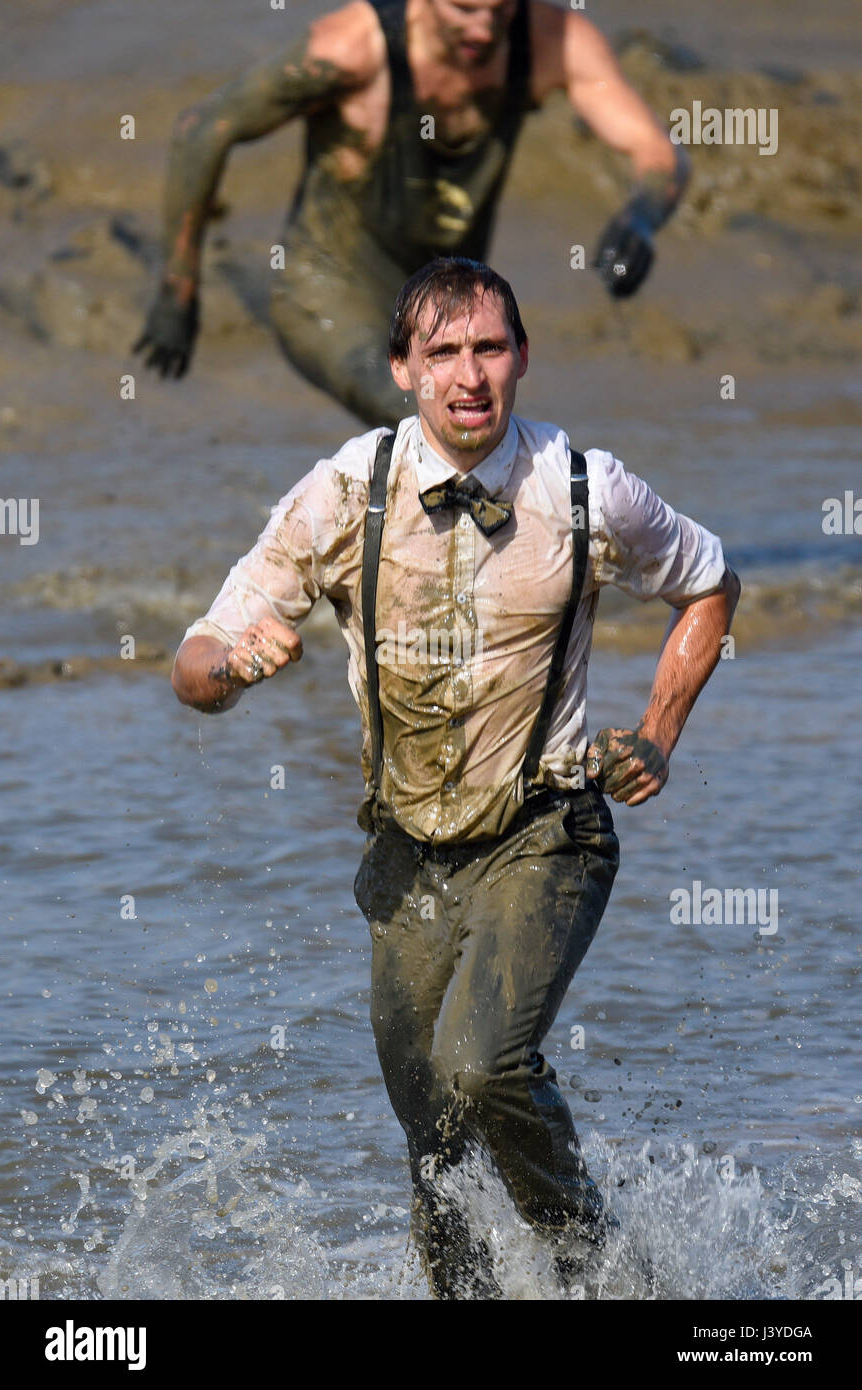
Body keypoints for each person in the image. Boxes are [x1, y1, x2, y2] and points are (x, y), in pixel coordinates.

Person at [171, 257, 739, 1298]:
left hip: (548, 832)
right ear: (402, 370)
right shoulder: (345, 491)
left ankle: (605, 1273)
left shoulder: (583, 486)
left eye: (488, 348)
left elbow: (707, 581)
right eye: (443, 352)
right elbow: (193, 660)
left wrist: (658, 732)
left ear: (521, 357)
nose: (469, 375)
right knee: (431, 1127)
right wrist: (237, 670)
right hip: (406, 855)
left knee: (484, 1064)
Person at [134, 0, 688, 426]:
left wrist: (640, 216)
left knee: (477, 435)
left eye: (500, 10)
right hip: (328, 291)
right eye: (463, 10)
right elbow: (203, 130)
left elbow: (658, 153)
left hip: (446, 299)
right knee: (436, 420)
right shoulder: (354, 47)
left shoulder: (551, 41)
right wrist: (177, 292)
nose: (483, 31)